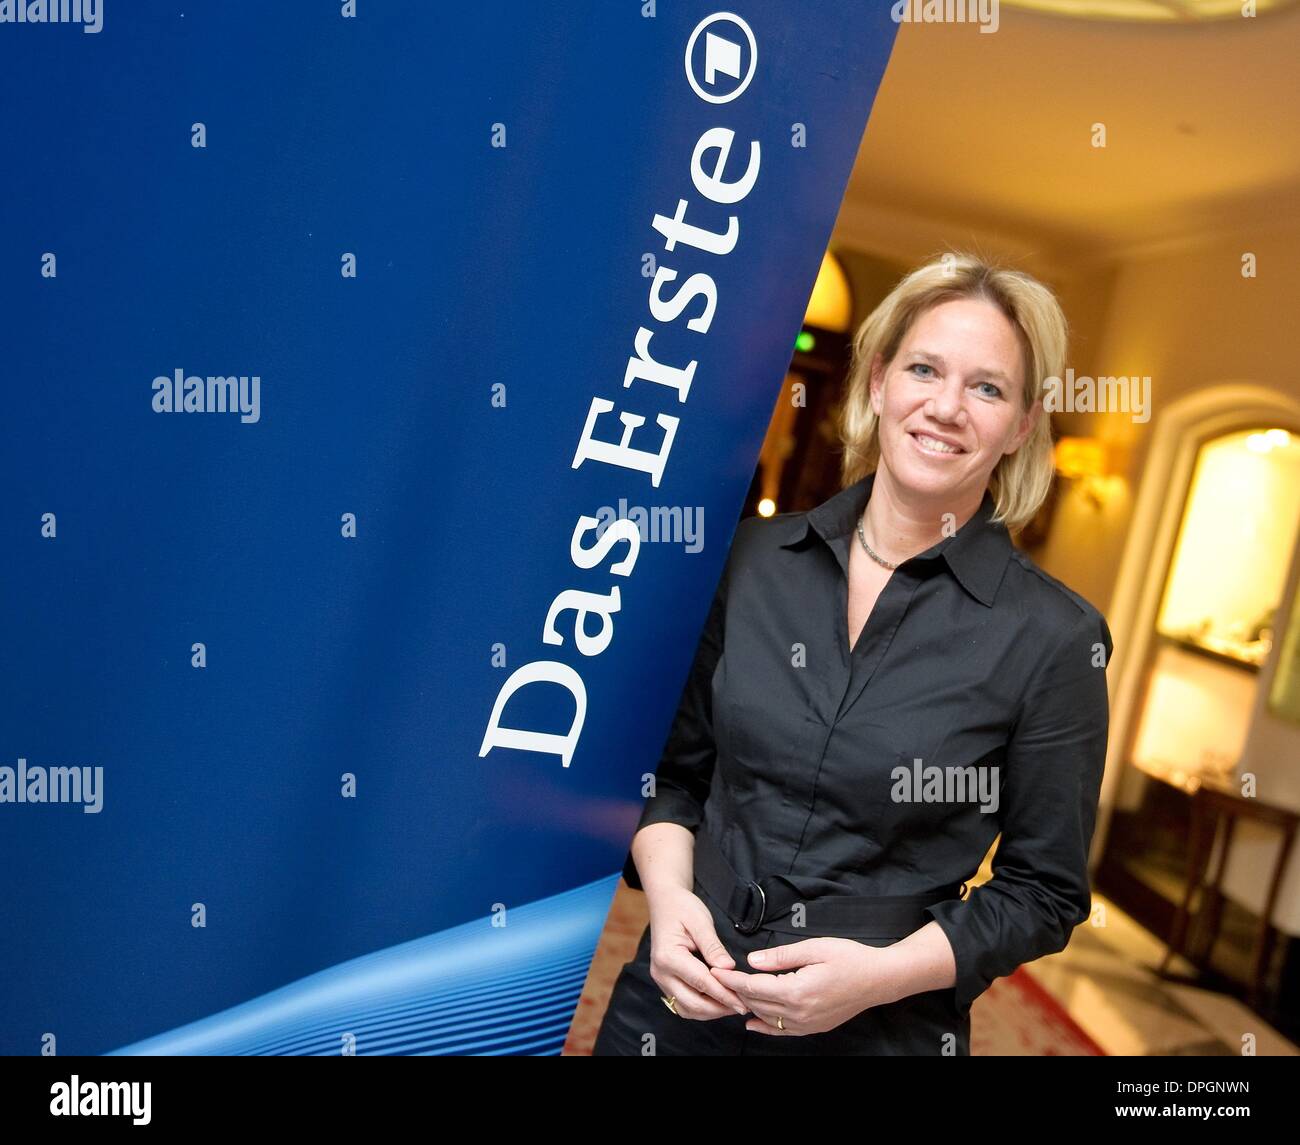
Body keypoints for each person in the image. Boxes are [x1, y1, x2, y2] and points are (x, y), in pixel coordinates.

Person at [591, 252, 1114, 1056]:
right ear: (877, 382)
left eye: (987, 388)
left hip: (879, 1032)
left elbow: (1043, 891)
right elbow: (672, 774)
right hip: (678, 1003)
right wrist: (667, 900)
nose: (945, 407)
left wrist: (878, 976)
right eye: (924, 369)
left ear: (1022, 424)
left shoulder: (1054, 639)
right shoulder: (752, 559)